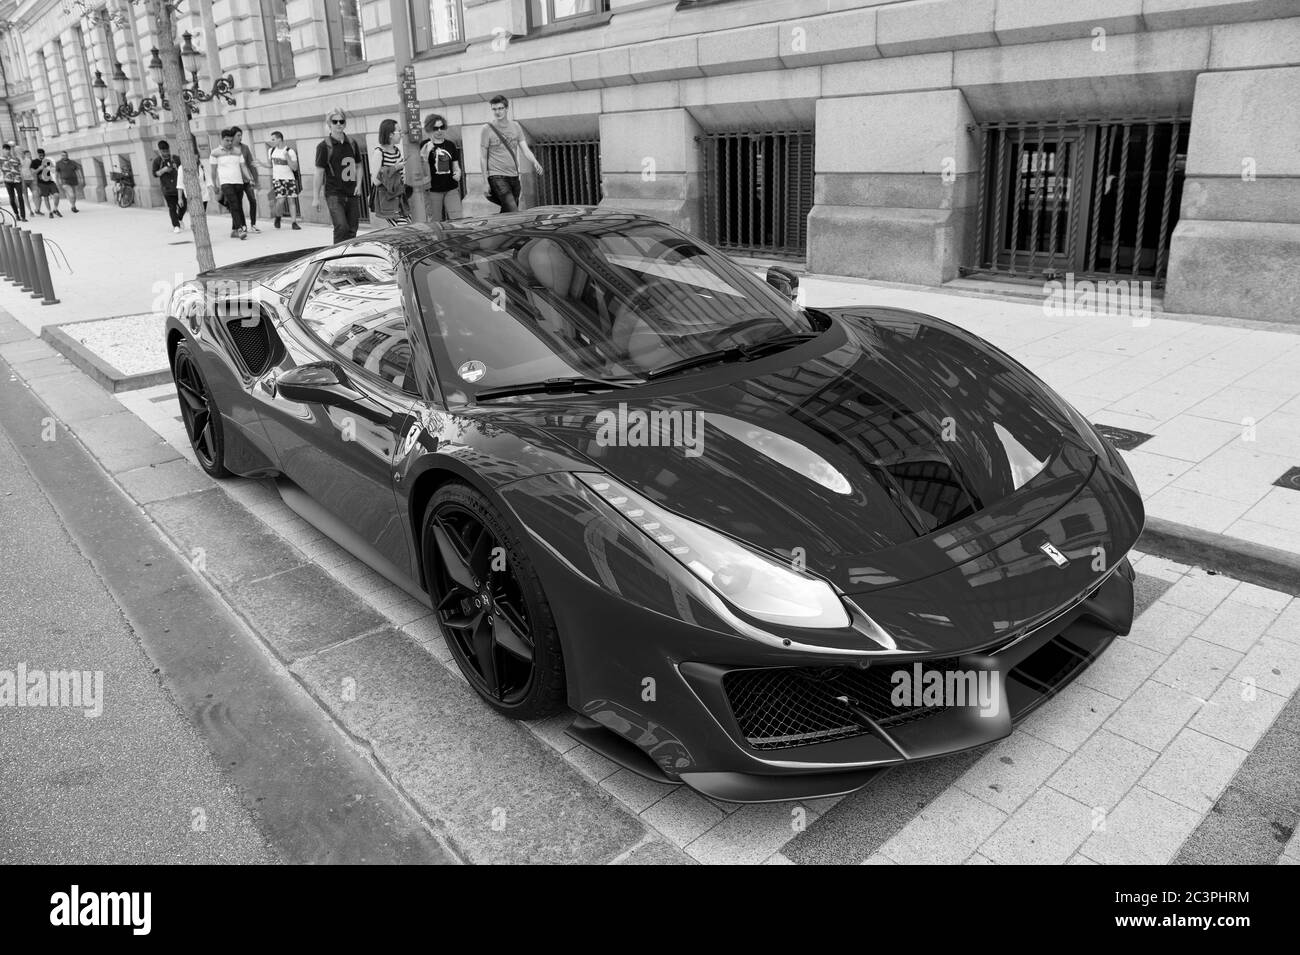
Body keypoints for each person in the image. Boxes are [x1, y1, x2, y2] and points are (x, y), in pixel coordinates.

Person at [479, 94, 542, 213]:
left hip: (514, 176)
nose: (497, 112)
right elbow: (483, 157)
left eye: (500, 108)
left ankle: (497, 229)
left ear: (507, 109)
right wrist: (485, 182)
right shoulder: (487, 129)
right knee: (513, 209)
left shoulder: (516, 126)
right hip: (496, 176)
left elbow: (525, 149)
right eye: (494, 109)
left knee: (508, 212)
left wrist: (535, 161)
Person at [313, 107, 363, 243]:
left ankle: (349, 257)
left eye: (341, 121)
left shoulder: (352, 143)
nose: (339, 124)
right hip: (334, 193)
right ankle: (337, 258)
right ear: (329, 124)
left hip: (352, 192)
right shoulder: (324, 146)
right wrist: (315, 198)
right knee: (341, 227)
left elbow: (359, 166)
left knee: (353, 229)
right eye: (335, 121)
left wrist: (359, 184)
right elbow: (319, 172)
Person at [209, 127, 253, 239]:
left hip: (239, 182)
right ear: (222, 139)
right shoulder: (215, 153)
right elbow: (213, 171)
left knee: (237, 205)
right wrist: (215, 185)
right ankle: (239, 229)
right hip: (226, 183)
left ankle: (234, 230)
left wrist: (249, 178)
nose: (229, 143)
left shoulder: (238, 152)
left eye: (230, 140)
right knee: (234, 204)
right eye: (227, 140)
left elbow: (243, 166)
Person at [421, 114, 462, 222]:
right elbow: (419, 168)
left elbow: (455, 165)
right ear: (429, 129)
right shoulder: (424, 145)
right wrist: (426, 153)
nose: (439, 130)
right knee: (435, 222)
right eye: (435, 128)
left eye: (442, 127)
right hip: (432, 190)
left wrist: (458, 173)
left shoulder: (450, 145)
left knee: (457, 219)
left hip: (451, 188)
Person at [371, 118, 409, 226]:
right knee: (403, 230)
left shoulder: (397, 151)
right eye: (399, 131)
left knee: (404, 231)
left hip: (400, 198)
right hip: (388, 201)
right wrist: (395, 168)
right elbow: (376, 181)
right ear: (390, 134)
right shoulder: (379, 152)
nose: (401, 134)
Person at [267, 131, 301, 229]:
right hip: (277, 179)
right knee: (280, 201)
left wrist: (287, 158)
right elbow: (270, 165)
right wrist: (261, 164)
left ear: (279, 139)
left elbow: (294, 168)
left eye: (273, 139)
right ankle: (278, 217)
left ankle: (294, 223)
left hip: (289, 179)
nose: (272, 141)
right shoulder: (271, 151)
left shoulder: (290, 151)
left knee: (291, 201)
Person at [230, 125, 260, 233]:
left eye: (241, 135)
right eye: (238, 135)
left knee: (253, 200)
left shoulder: (245, 148)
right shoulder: (228, 149)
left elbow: (251, 164)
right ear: (233, 136)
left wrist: (256, 179)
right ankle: (243, 225)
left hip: (247, 180)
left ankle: (253, 224)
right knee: (238, 204)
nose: (240, 137)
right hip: (235, 181)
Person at [153, 140, 184, 232]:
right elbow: (155, 174)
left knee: (184, 206)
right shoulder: (157, 161)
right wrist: (164, 170)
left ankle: (179, 218)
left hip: (179, 187)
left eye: (167, 151)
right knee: (172, 207)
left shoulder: (176, 158)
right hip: (167, 188)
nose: (166, 153)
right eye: (163, 151)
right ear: (159, 151)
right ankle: (176, 226)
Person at [177, 135, 211, 214]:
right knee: (195, 214)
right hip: (192, 196)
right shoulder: (182, 168)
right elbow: (180, 184)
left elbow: (208, 180)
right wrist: (180, 198)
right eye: (192, 155)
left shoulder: (202, 166)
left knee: (202, 214)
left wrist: (212, 192)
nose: (194, 157)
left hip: (204, 195)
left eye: (196, 155)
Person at [2, 143, 27, 222]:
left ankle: (23, 216)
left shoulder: (16, 159)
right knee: (12, 199)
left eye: (8, 149)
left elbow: (21, 169)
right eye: (5, 150)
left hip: (17, 180)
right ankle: (16, 214)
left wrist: (23, 181)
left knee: (20, 197)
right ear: (3, 150)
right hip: (8, 181)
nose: (7, 151)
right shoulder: (1, 159)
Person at [35, 149, 61, 217]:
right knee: (46, 198)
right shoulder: (34, 162)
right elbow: (33, 173)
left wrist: (51, 168)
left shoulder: (47, 161)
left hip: (50, 181)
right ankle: (50, 212)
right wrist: (39, 169)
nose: (41, 156)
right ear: (37, 154)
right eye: (40, 154)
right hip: (41, 183)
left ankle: (55, 209)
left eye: (43, 154)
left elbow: (53, 170)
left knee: (56, 195)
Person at [20, 149, 39, 215]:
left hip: (31, 180)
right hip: (23, 180)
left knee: (36, 194)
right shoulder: (21, 161)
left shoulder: (32, 161)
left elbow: (34, 171)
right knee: (25, 196)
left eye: (30, 154)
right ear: (24, 155)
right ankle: (30, 211)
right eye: (28, 154)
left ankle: (37, 209)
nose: (29, 155)